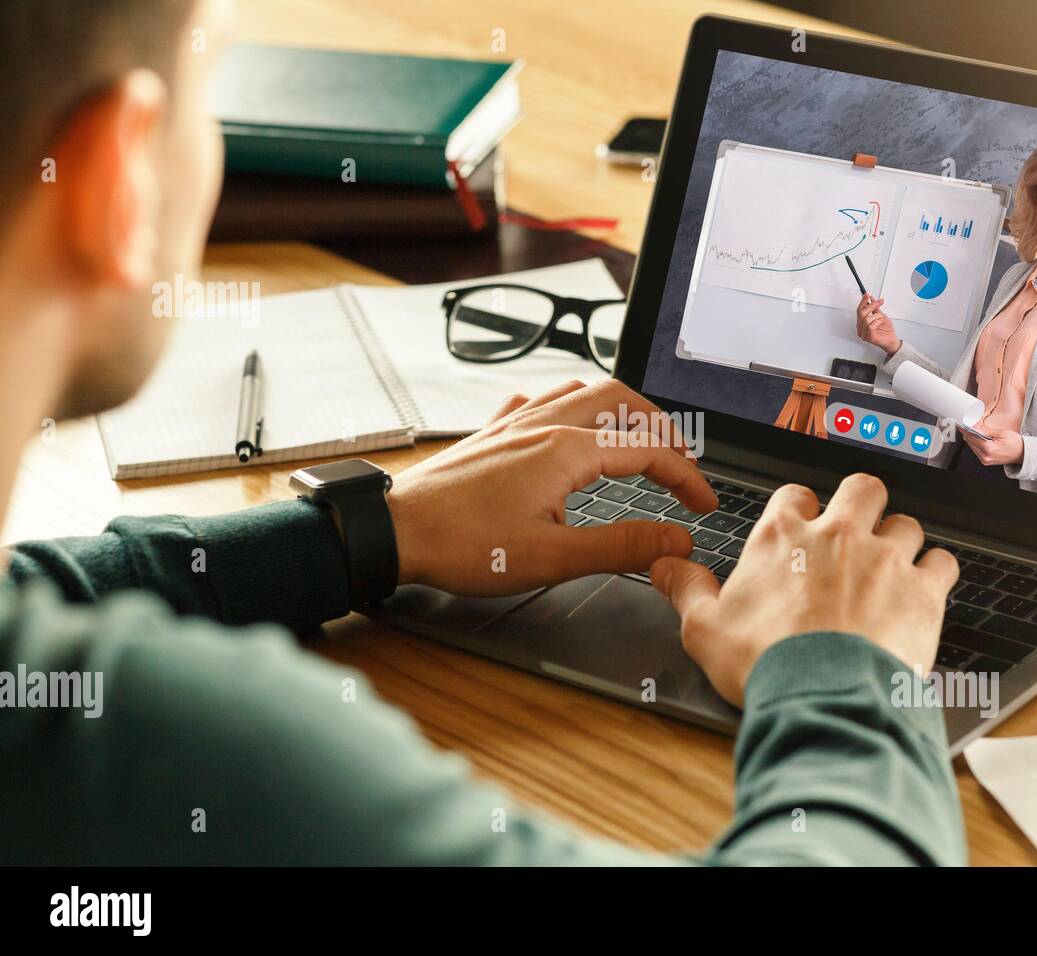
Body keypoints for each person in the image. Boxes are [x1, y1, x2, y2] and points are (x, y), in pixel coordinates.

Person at [0, 0, 963, 865]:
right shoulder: (175, 752)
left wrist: (370, 528)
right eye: (209, 89)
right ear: (114, 174)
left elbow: (34, 596)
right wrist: (844, 677)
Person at [856, 126, 1037, 512]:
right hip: (965, 470)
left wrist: (1025, 451)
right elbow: (971, 398)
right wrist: (892, 347)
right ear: (1036, 194)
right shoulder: (1017, 277)